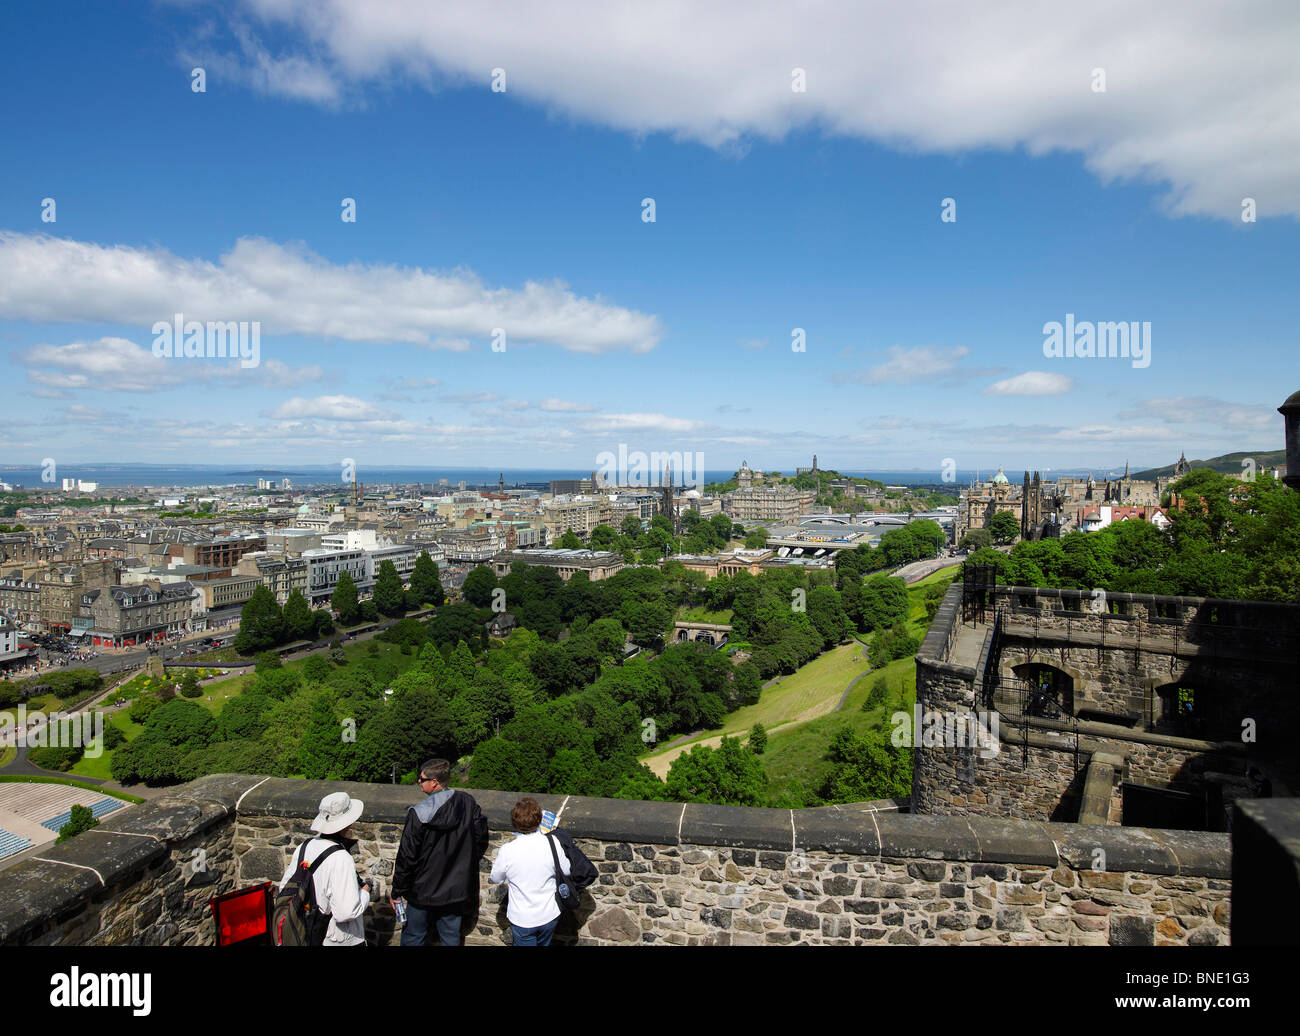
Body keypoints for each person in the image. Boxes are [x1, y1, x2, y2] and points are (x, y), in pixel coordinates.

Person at [392, 758, 488, 946]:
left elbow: (407, 856)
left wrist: (397, 891)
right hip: (455, 890)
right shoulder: (467, 803)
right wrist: (465, 863)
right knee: (451, 938)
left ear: (434, 782)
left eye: (422, 779)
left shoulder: (419, 813)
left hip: (422, 891)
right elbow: (480, 837)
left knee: (414, 937)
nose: (419, 782)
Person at [277, 791, 372, 947]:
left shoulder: (304, 847)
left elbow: (285, 887)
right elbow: (345, 912)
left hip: (301, 930)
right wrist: (365, 893)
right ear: (347, 823)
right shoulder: (341, 858)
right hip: (332, 938)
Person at [490, 797, 571, 946]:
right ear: (539, 819)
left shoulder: (508, 850)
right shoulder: (552, 843)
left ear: (514, 822)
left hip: (523, 918)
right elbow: (566, 870)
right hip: (549, 913)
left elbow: (496, 878)